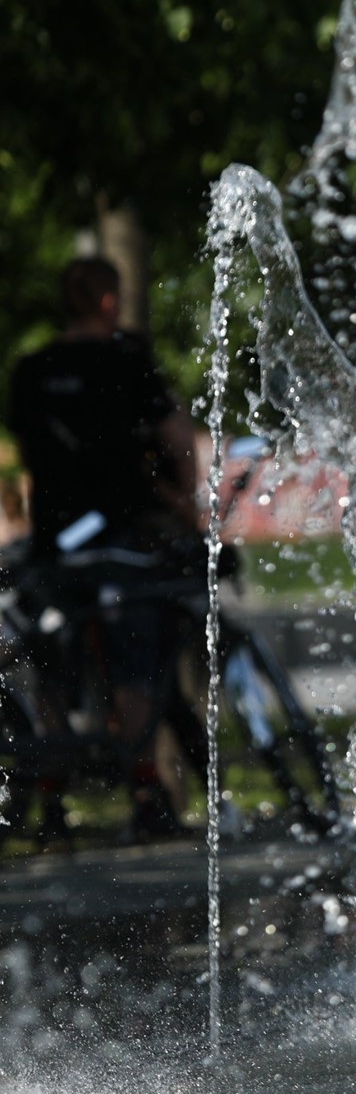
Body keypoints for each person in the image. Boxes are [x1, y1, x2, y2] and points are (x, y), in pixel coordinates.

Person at [7, 257, 202, 837]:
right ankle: (147, 794)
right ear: (108, 302)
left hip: (54, 539)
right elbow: (173, 434)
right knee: (134, 658)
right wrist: (188, 502)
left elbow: (29, 448)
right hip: (119, 533)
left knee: (54, 660)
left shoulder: (31, 369)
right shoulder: (124, 358)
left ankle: (51, 800)